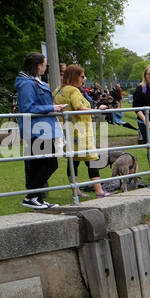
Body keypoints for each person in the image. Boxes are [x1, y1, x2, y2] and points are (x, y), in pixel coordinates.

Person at [14, 52, 68, 209]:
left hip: (43, 128)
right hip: (37, 130)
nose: (45, 68)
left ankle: (36, 199)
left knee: (40, 164)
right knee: (50, 164)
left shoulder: (33, 81)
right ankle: (31, 197)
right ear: (38, 66)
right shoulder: (27, 83)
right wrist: (52, 107)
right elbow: (27, 108)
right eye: (44, 65)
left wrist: (53, 109)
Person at [54, 63, 107, 198]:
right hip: (81, 130)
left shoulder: (57, 90)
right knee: (92, 159)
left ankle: (75, 190)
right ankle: (99, 190)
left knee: (73, 160)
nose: (84, 79)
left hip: (67, 131)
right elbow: (79, 107)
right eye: (82, 76)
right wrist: (96, 110)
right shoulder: (73, 90)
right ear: (74, 76)